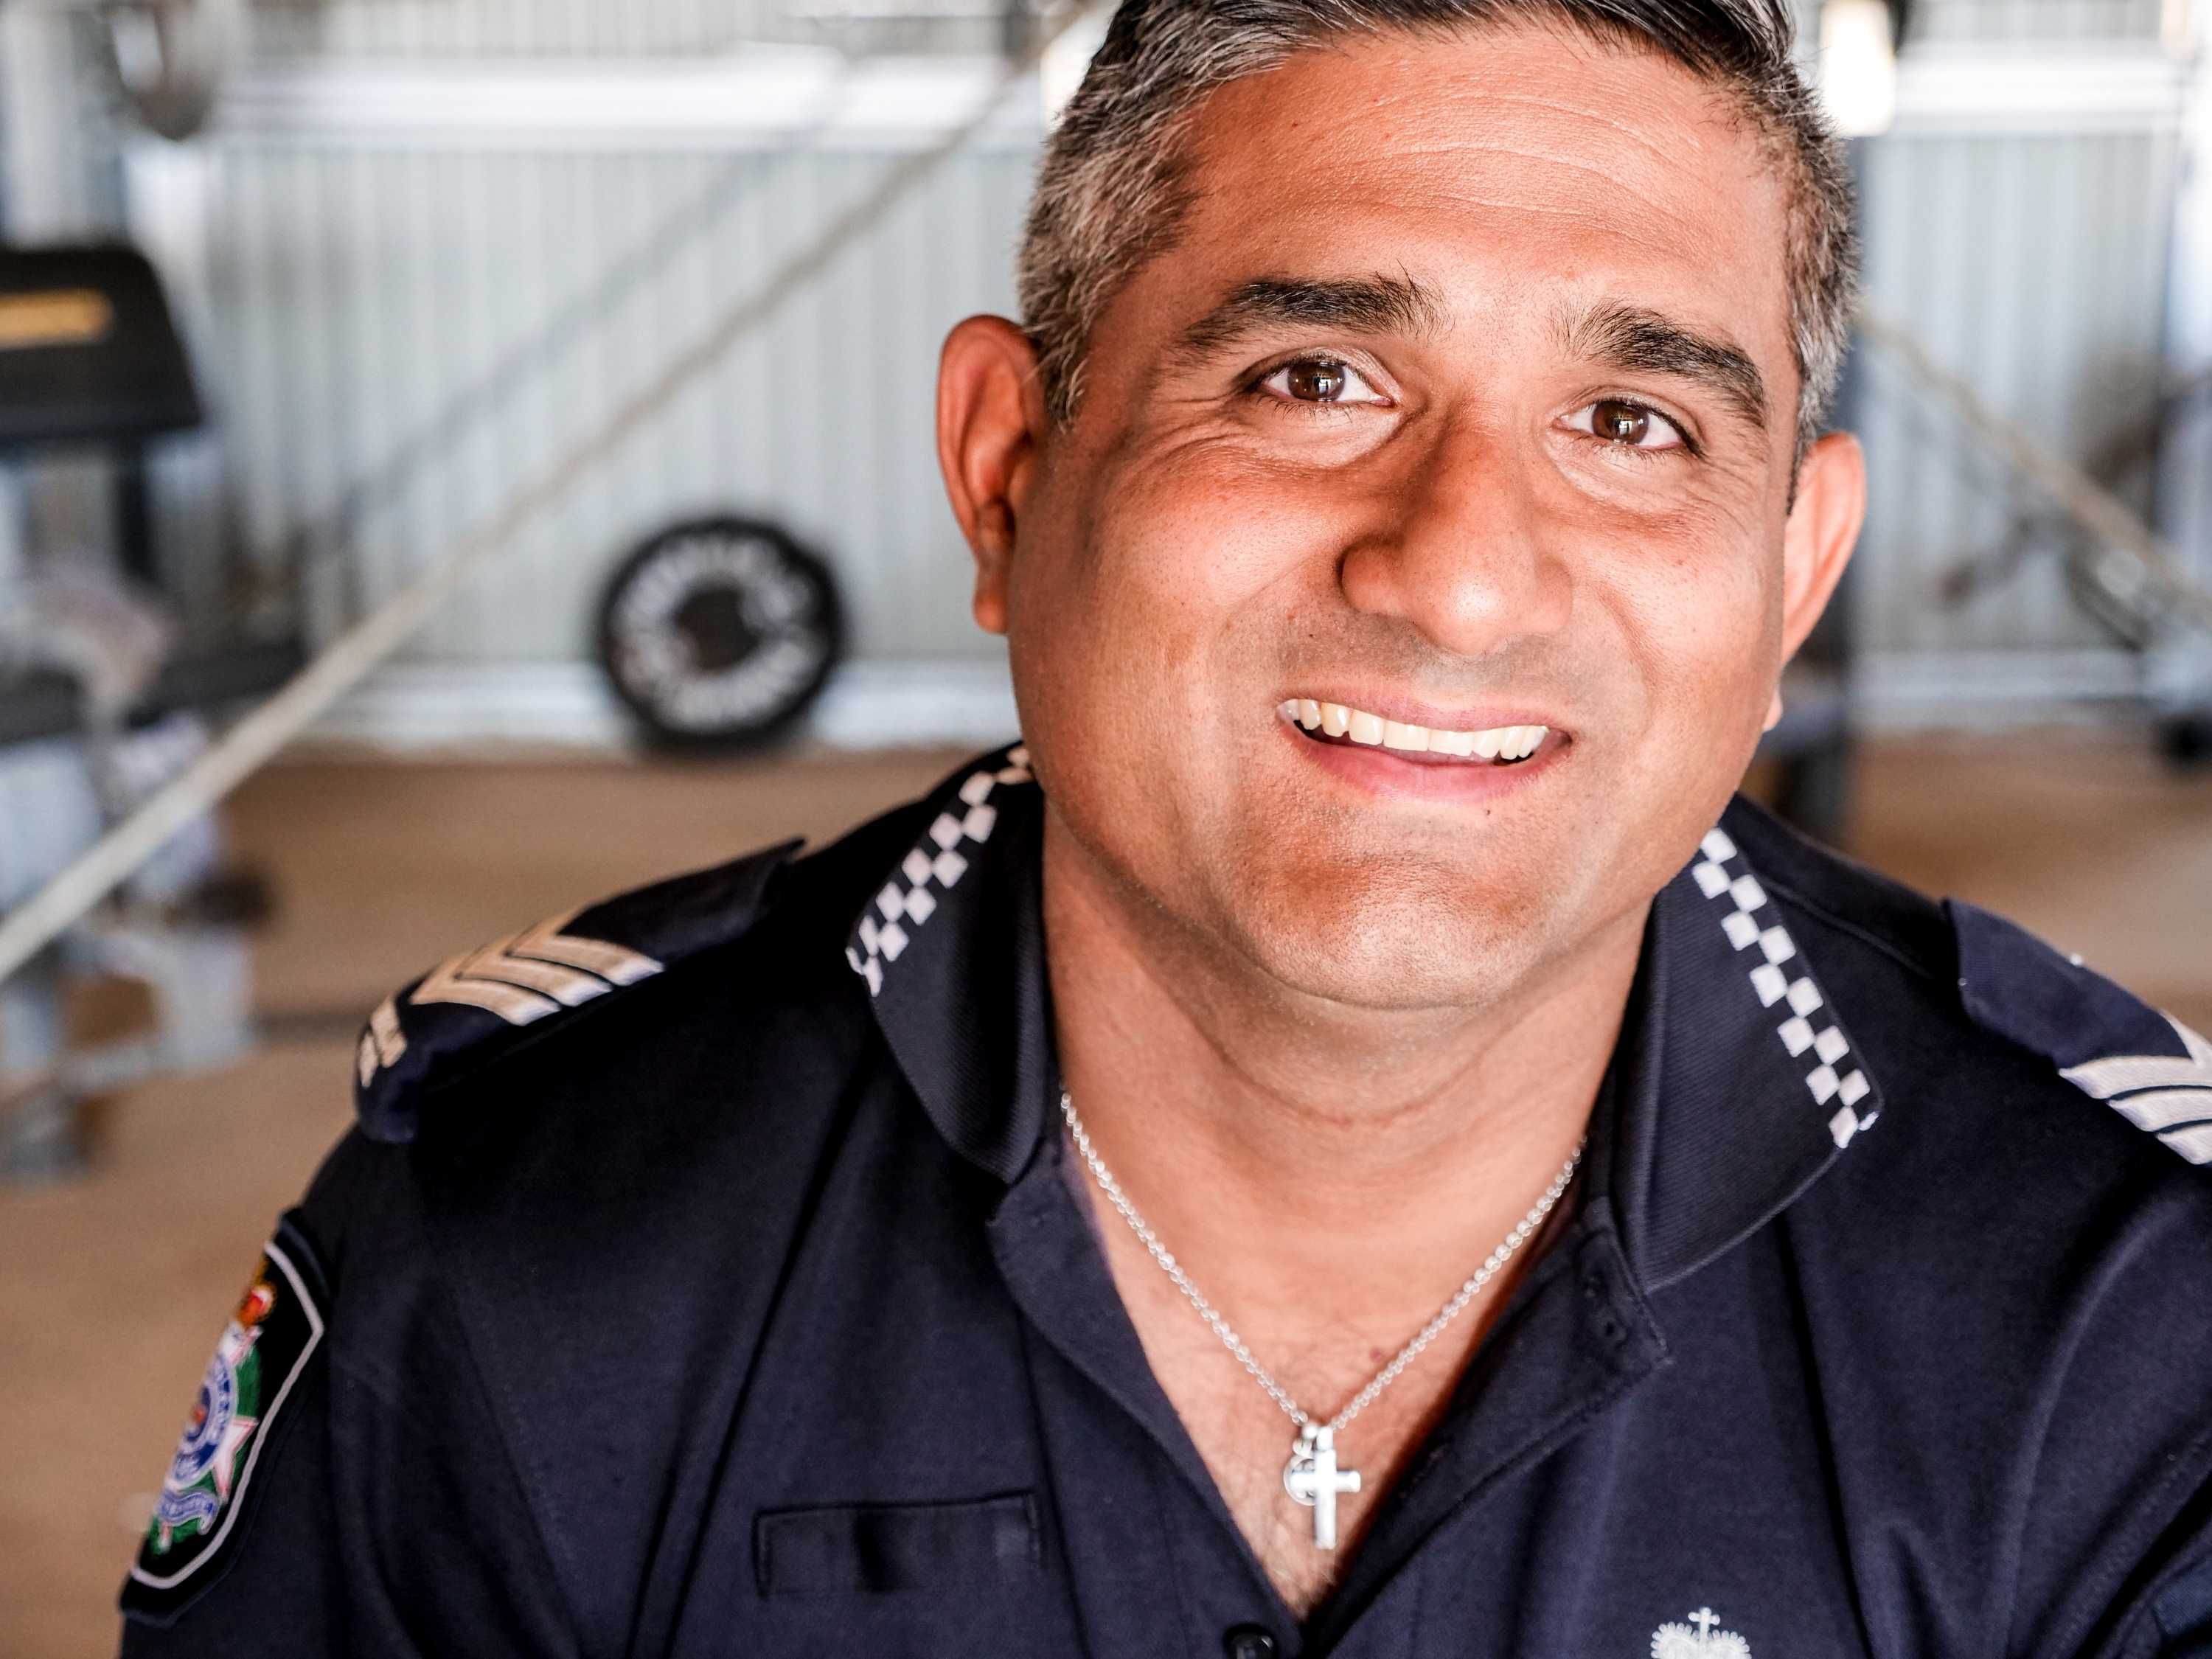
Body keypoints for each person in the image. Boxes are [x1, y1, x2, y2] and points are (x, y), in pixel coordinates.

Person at [120, 1, 2212, 1653]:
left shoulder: (2122, 1310)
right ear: (1011, 472)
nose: (1464, 574)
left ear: (1791, 583)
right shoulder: (529, 1241)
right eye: (1316, 377)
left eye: (1635, 422)